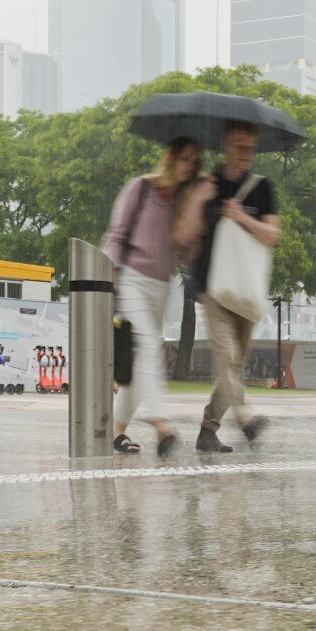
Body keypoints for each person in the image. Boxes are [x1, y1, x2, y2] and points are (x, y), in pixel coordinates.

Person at [175, 121, 281, 453]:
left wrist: (240, 217)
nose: (245, 154)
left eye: (250, 148)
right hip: (212, 287)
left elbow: (271, 236)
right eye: (239, 146)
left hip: (246, 289)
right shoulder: (209, 185)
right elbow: (184, 234)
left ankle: (208, 430)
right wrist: (199, 199)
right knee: (228, 356)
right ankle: (245, 418)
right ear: (225, 144)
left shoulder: (263, 188)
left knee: (233, 367)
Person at [106, 135, 203, 457]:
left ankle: (116, 432)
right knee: (149, 345)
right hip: (131, 279)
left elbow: (188, 252)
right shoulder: (141, 188)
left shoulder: (183, 202)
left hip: (161, 285)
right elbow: (117, 235)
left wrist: (198, 213)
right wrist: (113, 282)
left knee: (138, 363)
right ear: (171, 157)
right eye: (185, 158)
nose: (190, 166)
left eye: (195, 161)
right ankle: (161, 424)